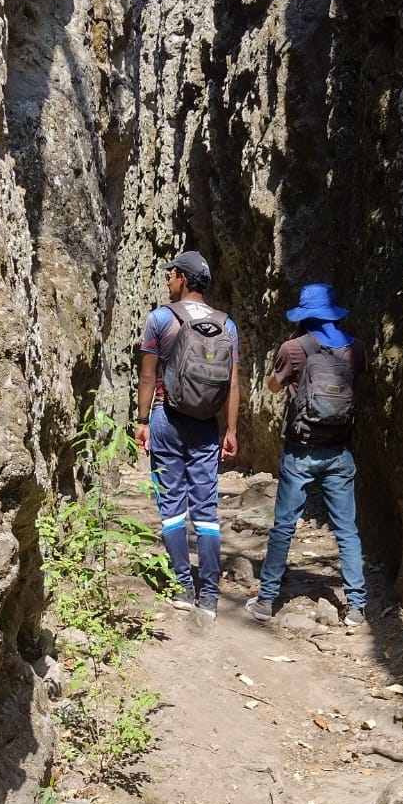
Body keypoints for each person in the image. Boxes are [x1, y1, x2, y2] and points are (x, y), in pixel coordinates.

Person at [245, 283, 368, 630]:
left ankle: (267, 600)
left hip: (301, 451)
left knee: (284, 525)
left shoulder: (293, 348)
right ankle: (357, 607)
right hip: (340, 451)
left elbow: (274, 385)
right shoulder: (355, 348)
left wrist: (281, 374)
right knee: (346, 529)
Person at [134, 250, 239, 620]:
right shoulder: (227, 325)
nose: (167, 281)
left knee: (172, 504)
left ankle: (182, 586)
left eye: (170, 275)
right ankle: (209, 595)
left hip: (166, 417)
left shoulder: (161, 319)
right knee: (206, 508)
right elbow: (232, 383)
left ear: (181, 277)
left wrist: (142, 419)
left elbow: (148, 375)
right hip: (206, 425)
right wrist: (231, 430)